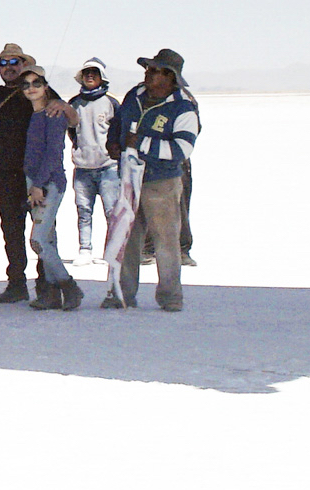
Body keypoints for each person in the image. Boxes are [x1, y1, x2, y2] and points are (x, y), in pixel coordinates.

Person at [106, 49, 199, 312]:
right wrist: (113, 141)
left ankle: (171, 297)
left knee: (165, 241)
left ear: (169, 76)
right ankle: (121, 294)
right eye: (148, 68)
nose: (147, 73)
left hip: (162, 182)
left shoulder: (183, 106)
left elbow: (183, 150)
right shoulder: (134, 96)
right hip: (128, 178)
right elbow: (118, 123)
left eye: (154, 70)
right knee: (126, 238)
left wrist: (143, 144)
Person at [0, 43, 71, 304]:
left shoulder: (40, 90)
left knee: (43, 234)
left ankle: (48, 287)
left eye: (14, 62)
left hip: (37, 176)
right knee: (10, 230)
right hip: (7, 175)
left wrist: (64, 107)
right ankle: (17, 284)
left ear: (24, 65)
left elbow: (64, 114)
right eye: (4, 63)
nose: (9, 68)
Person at [20, 66, 83, 311]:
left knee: (38, 240)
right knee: (48, 239)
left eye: (36, 83)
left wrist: (38, 185)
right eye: (25, 85)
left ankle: (69, 287)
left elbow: (53, 153)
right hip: (34, 181)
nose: (31, 88)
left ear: (46, 86)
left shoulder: (53, 114)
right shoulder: (35, 115)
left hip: (48, 183)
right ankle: (53, 294)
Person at [68, 58, 119, 264]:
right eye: (87, 72)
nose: (90, 76)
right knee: (83, 210)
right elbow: (72, 132)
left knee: (112, 211)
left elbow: (118, 132)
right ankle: (85, 249)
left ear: (101, 77)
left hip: (108, 167)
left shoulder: (111, 103)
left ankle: (113, 250)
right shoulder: (74, 104)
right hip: (82, 168)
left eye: (94, 73)